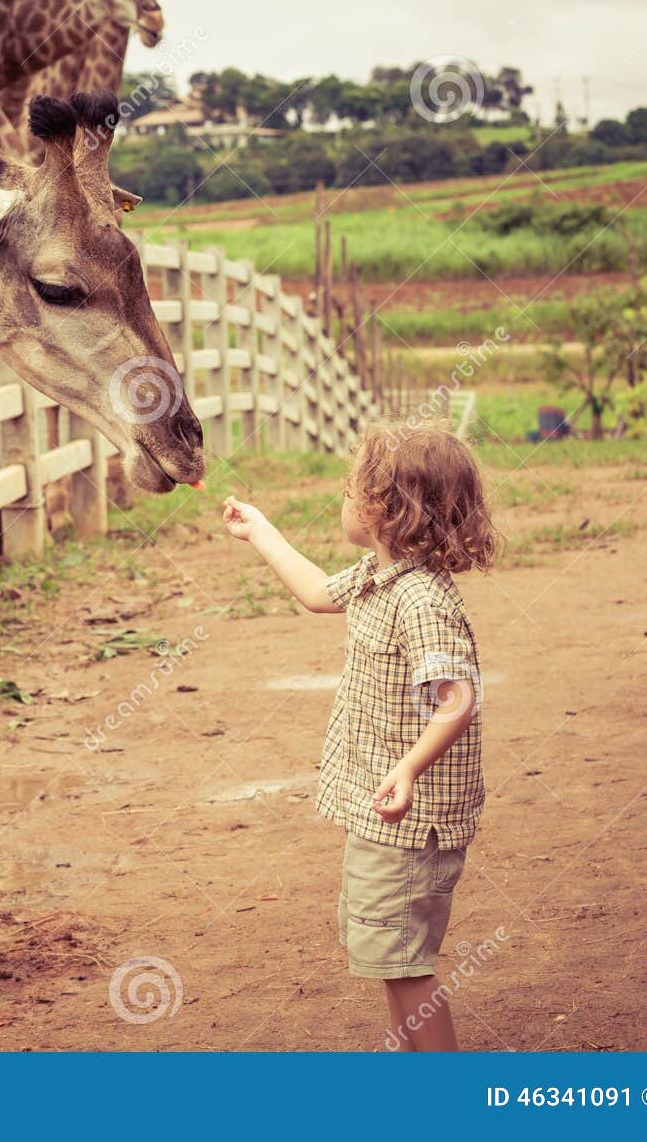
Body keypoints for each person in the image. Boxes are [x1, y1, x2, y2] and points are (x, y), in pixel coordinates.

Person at [222, 424, 500, 1050]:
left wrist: (408, 769)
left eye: (351, 486)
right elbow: (319, 593)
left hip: (410, 820)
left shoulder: (421, 599)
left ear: (385, 508)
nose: (342, 495)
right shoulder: (383, 575)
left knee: (404, 968)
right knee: (390, 959)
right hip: (384, 819)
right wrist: (260, 530)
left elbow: (455, 698)